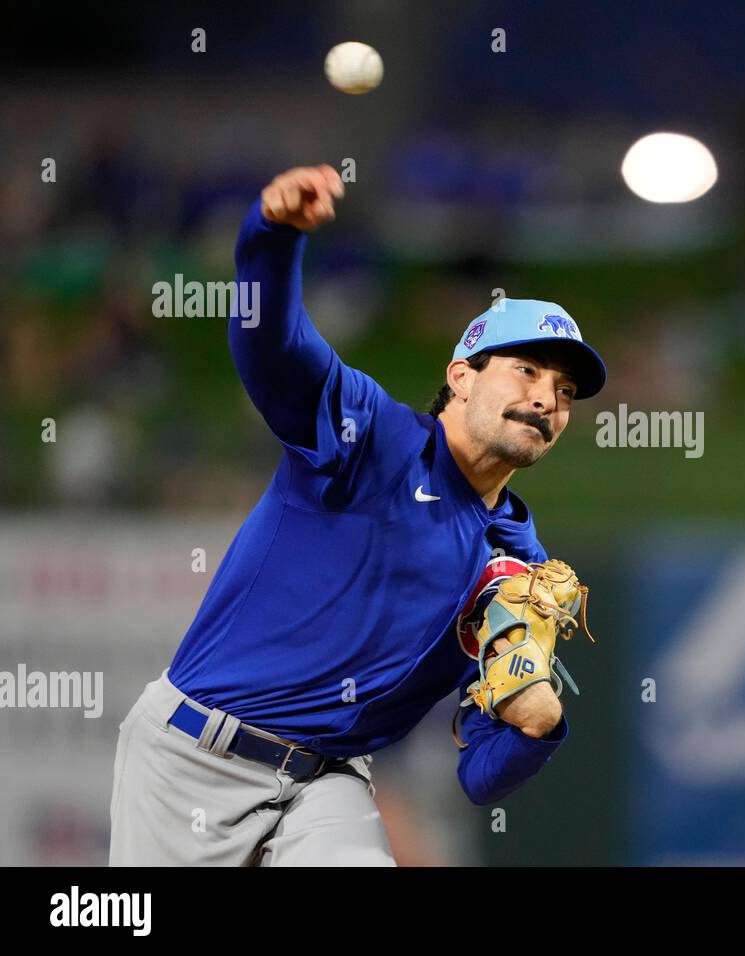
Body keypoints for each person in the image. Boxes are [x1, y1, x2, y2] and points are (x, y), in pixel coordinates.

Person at [108, 164, 606, 866]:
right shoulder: (372, 435)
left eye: (564, 390)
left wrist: (534, 725)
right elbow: (270, 346)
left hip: (328, 784)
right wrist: (271, 236)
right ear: (461, 375)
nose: (547, 398)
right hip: (195, 756)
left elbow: (477, 776)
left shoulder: (518, 564)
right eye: (526, 370)